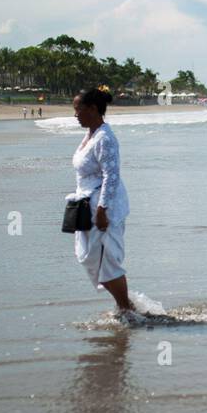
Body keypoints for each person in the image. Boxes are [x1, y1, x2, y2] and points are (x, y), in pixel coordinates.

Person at [70, 86, 137, 319]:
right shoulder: (90, 134)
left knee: (107, 259)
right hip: (88, 204)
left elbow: (112, 175)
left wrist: (102, 210)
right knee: (91, 257)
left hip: (104, 207)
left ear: (93, 109)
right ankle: (127, 306)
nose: (75, 114)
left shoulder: (105, 138)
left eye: (78, 110)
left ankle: (126, 310)